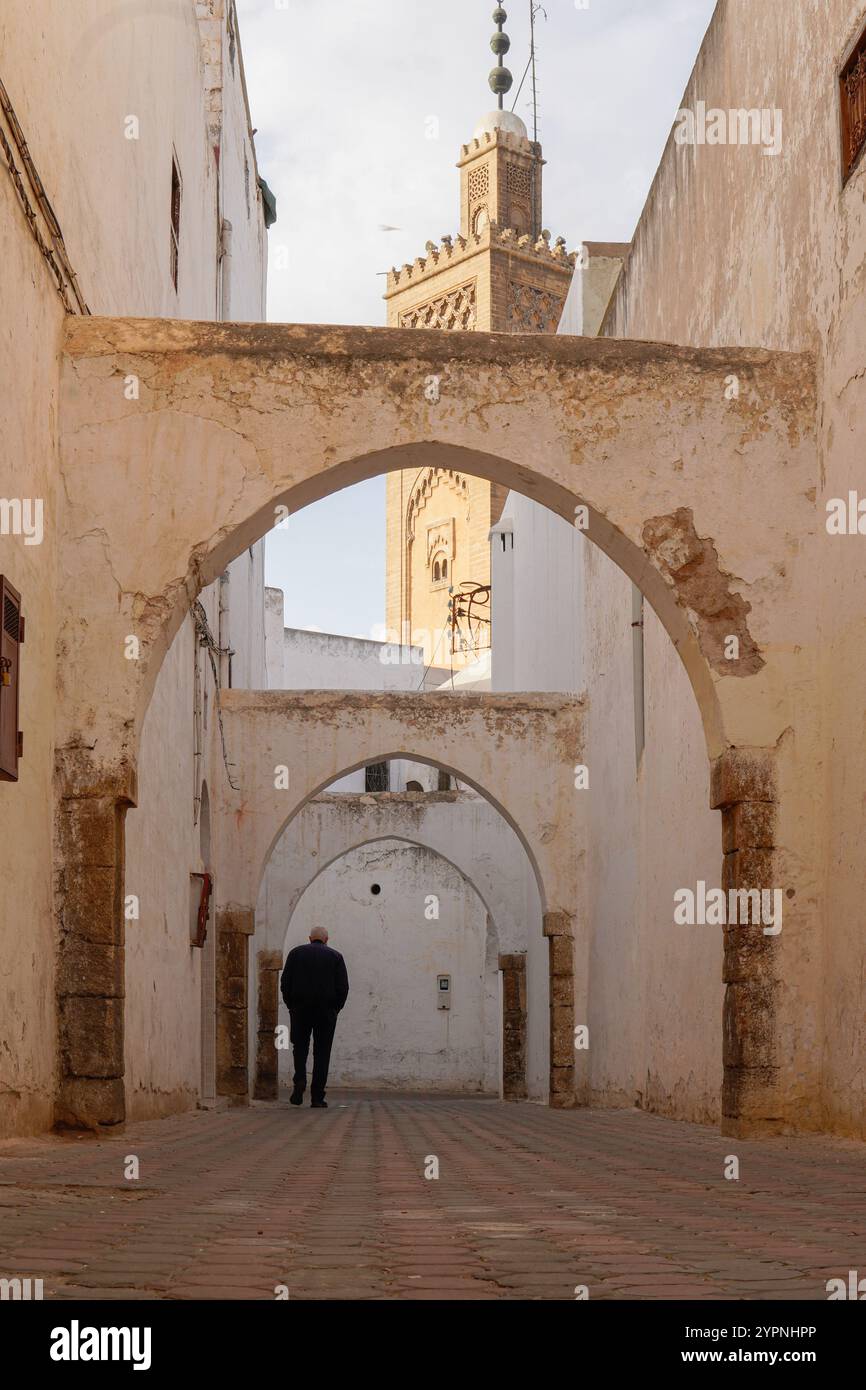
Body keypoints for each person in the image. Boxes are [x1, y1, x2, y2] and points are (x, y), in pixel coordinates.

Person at [280, 924, 349, 1108]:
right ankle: (317, 1096)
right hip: (326, 1012)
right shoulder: (336, 957)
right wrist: (335, 1008)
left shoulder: (295, 954)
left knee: (300, 1047)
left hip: (300, 1010)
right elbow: (343, 988)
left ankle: (300, 1079)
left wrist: (291, 1005)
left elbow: (285, 982)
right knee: (322, 1052)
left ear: (310, 938)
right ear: (327, 940)